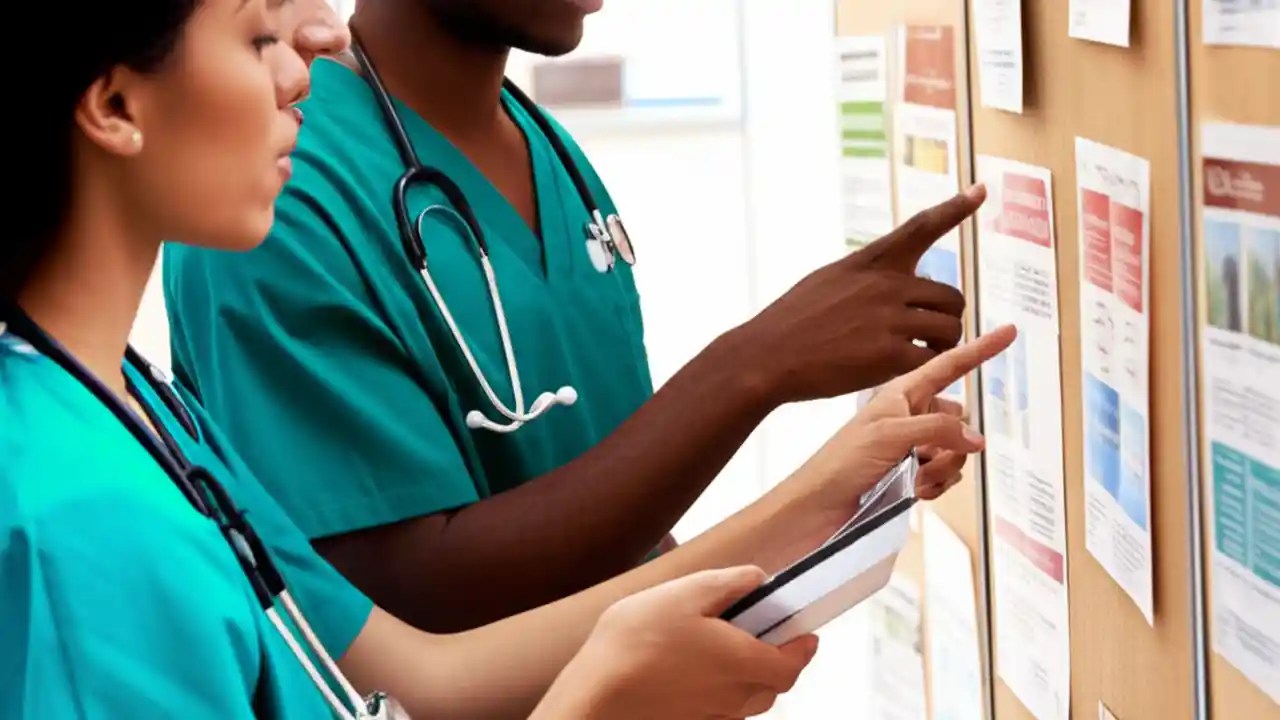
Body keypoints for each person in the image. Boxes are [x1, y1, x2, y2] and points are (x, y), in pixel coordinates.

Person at [0, 0, 1016, 716]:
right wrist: (592, 705)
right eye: (258, 28)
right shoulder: (73, 519)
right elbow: (421, 630)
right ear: (117, 106)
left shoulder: (145, 415)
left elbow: (431, 678)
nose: (310, 46)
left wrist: (823, 495)